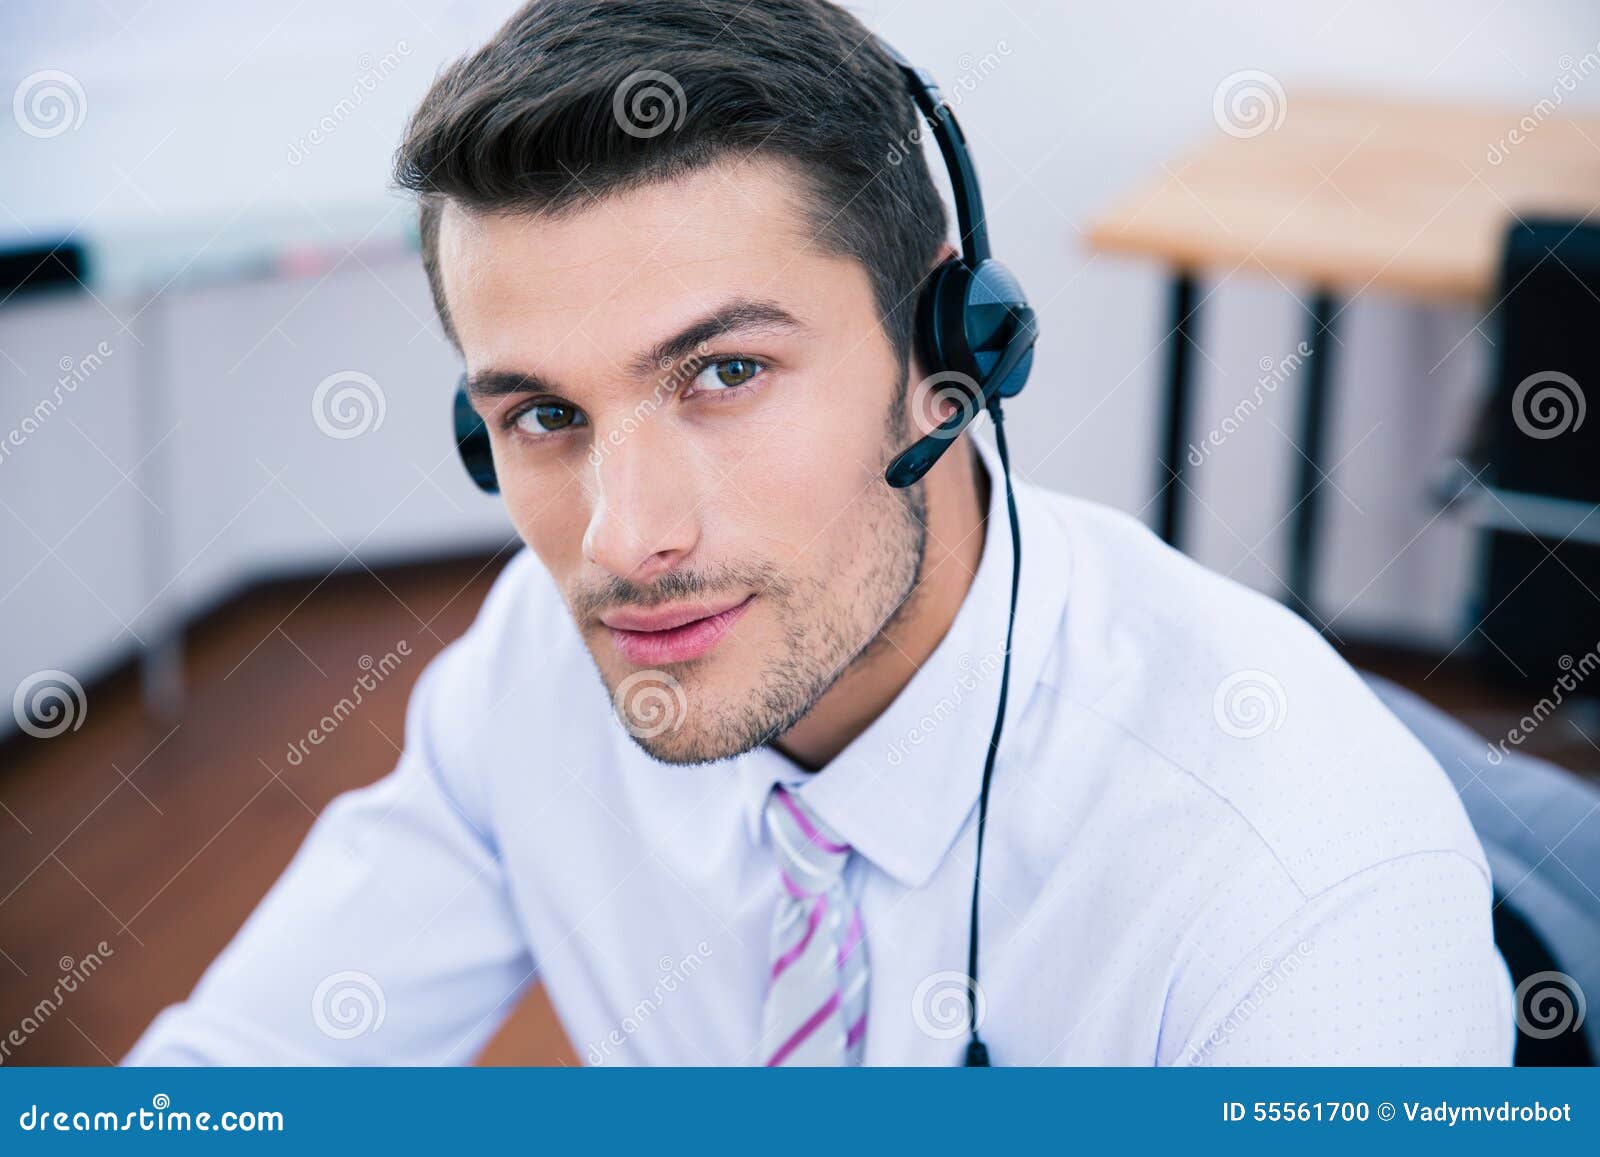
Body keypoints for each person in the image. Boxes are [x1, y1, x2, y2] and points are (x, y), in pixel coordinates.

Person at [126, 0, 1513, 1066]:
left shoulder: (1308, 900)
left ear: (951, 354)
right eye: (543, 413)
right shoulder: (532, 681)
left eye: (723, 373)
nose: (627, 537)